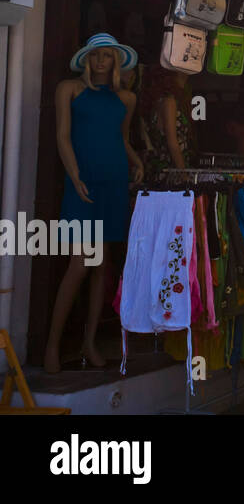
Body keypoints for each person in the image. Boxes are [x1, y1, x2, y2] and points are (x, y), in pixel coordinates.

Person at [45, 34, 145, 373]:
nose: (101, 61)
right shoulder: (69, 89)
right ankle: (52, 346)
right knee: (80, 264)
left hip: (114, 182)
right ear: (86, 59)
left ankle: (89, 342)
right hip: (83, 184)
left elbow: (122, 138)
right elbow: (62, 135)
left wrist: (137, 162)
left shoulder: (126, 98)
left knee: (102, 266)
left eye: (107, 56)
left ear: (117, 61)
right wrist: (74, 175)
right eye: (96, 55)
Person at [139, 66, 194, 180]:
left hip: (161, 168)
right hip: (171, 171)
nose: (186, 76)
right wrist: (184, 175)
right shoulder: (169, 102)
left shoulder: (157, 102)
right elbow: (172, 143)